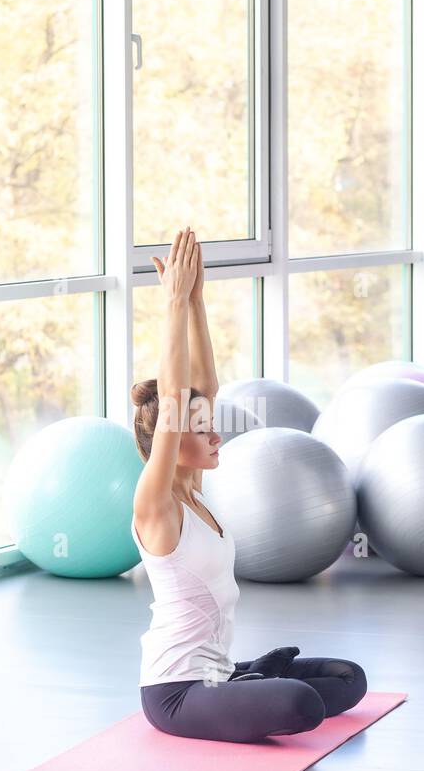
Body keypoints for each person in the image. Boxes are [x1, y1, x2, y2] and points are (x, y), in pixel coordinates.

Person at [129, 227, 367, 744]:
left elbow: (202, 387)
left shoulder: (193, 491)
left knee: (349, 681)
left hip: (218, 673)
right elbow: (174, 402)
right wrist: (170, 305)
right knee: (301, 703)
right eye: (199, 429)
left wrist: (195, 301)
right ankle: (253, 683)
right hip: (177, 692)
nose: (215, 433)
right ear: (170, 439)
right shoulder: (157, 504)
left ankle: (248, 675)